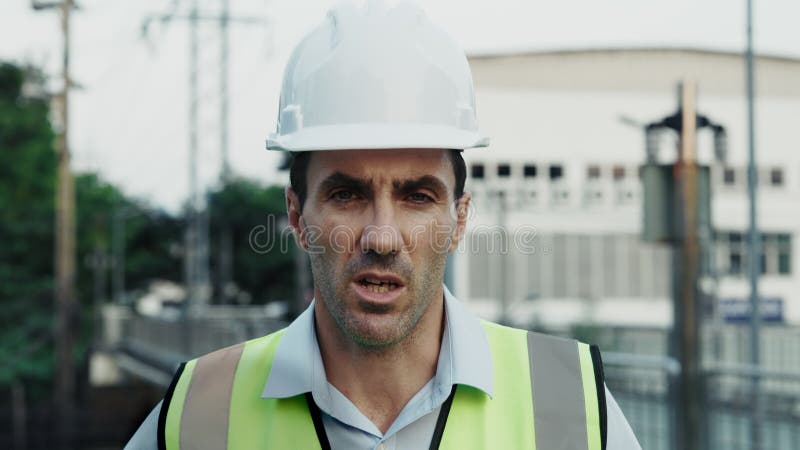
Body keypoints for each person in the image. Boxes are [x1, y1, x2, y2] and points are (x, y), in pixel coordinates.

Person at [126, 2, 641, 449]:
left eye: (418, 196)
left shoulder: (572, 406)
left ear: (458, 220)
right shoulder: (197, 413)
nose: (382, 237)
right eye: (346, 194)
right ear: (296, 218)